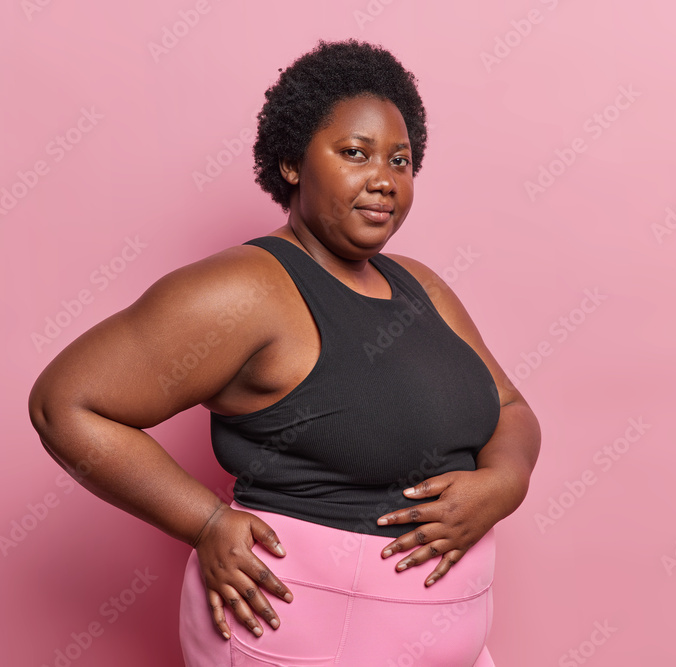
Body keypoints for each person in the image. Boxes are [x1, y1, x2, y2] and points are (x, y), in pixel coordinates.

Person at [29, 38, 541, 666]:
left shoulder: (420, 285)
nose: (384, 179)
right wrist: (207, 522)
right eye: (355, 153)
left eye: (401, 161)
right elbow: (66, 405)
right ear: (292, 163)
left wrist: (505, 482)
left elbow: (510, 406)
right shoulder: (245, 290)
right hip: (306, 638)